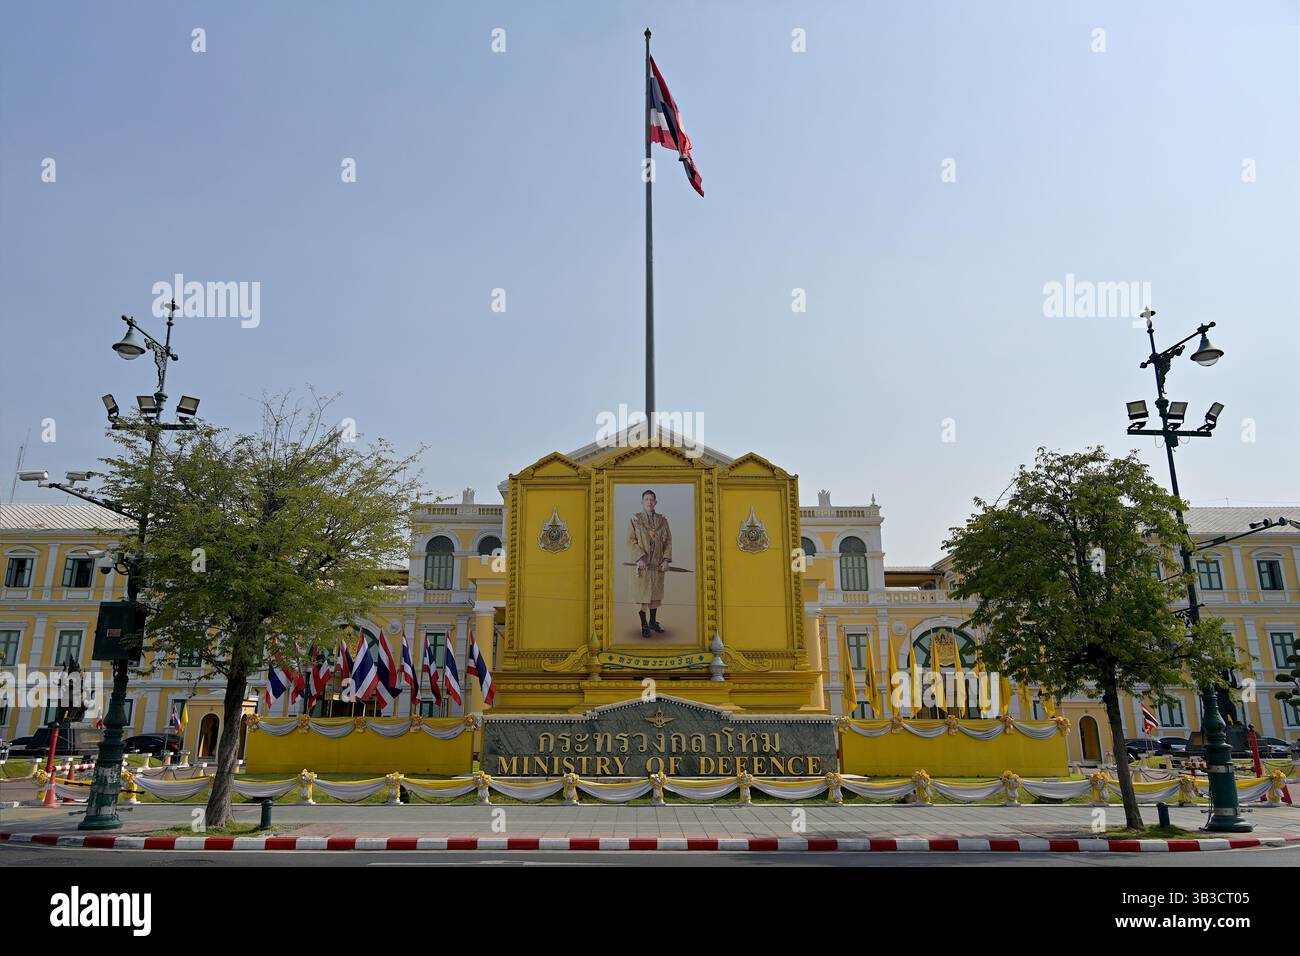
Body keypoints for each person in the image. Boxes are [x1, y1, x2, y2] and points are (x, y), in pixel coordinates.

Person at [627, 489, 672, 637]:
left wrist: (666, 560)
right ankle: (644, 624)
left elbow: (668, 541)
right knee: (643, 595)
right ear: (642, 502)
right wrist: (639, 558)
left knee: (655, 595)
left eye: (652, 499)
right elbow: (631, 541)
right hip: (643, 565)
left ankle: (653, 622)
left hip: (657, 565)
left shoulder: (662, 520)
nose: (649, 502)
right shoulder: (635, 519)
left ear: (655, 502)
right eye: (646, 499)